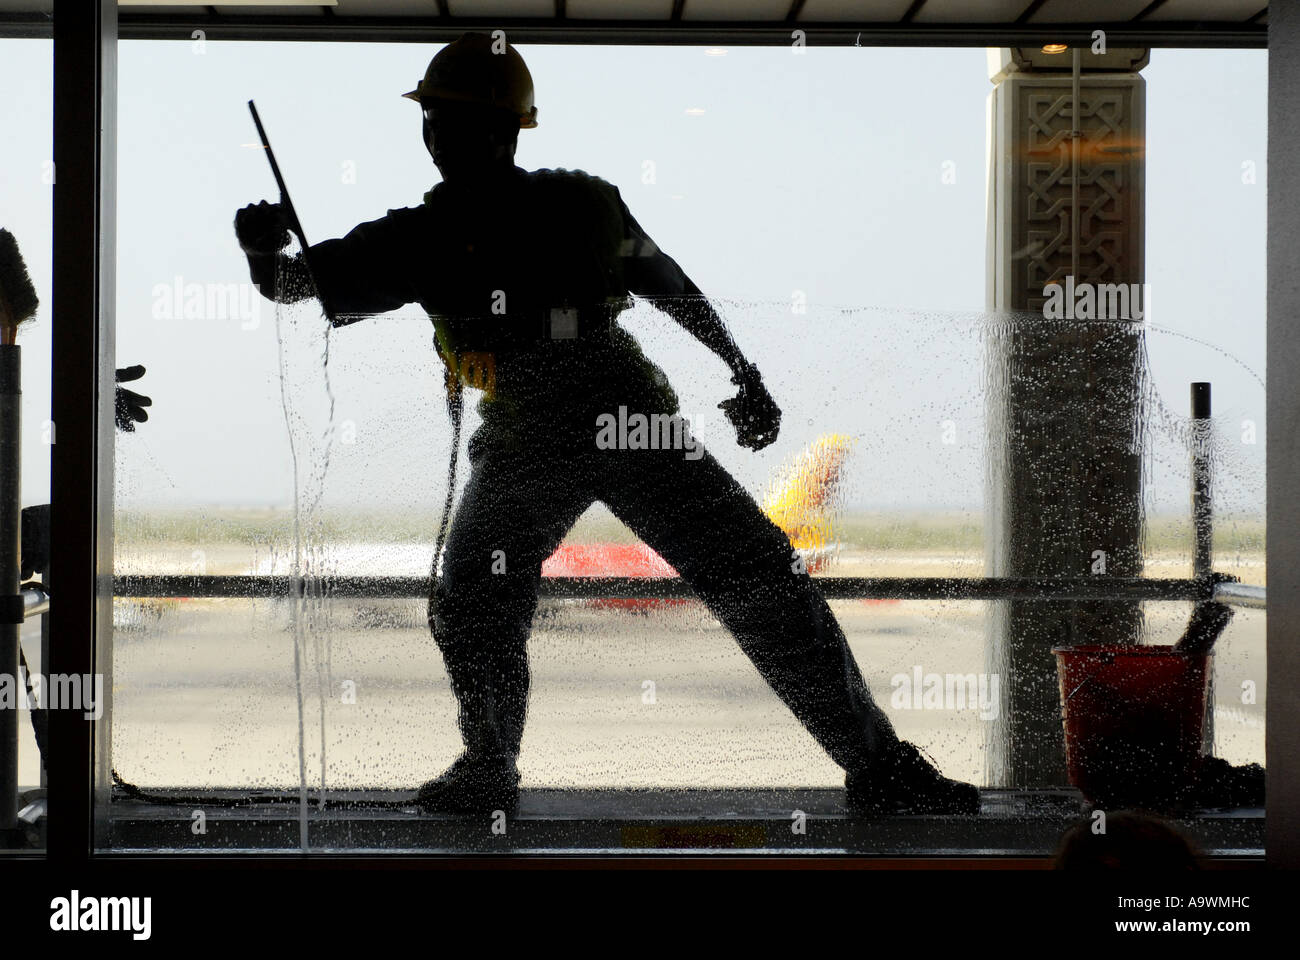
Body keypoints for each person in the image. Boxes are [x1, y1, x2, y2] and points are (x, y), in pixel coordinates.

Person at [234, 32, 979, 817]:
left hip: (554, 429)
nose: (439, 138)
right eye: (435, 122)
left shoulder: (447, 232)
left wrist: (259, 254)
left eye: (452, 122)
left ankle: (492, 765)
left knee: (517, 589)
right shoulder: (531, 214)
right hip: (613, 418)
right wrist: (741, 369)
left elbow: (666, 283)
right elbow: (300, 285)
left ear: (501, 131)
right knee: (719, 578)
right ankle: (874, 767)